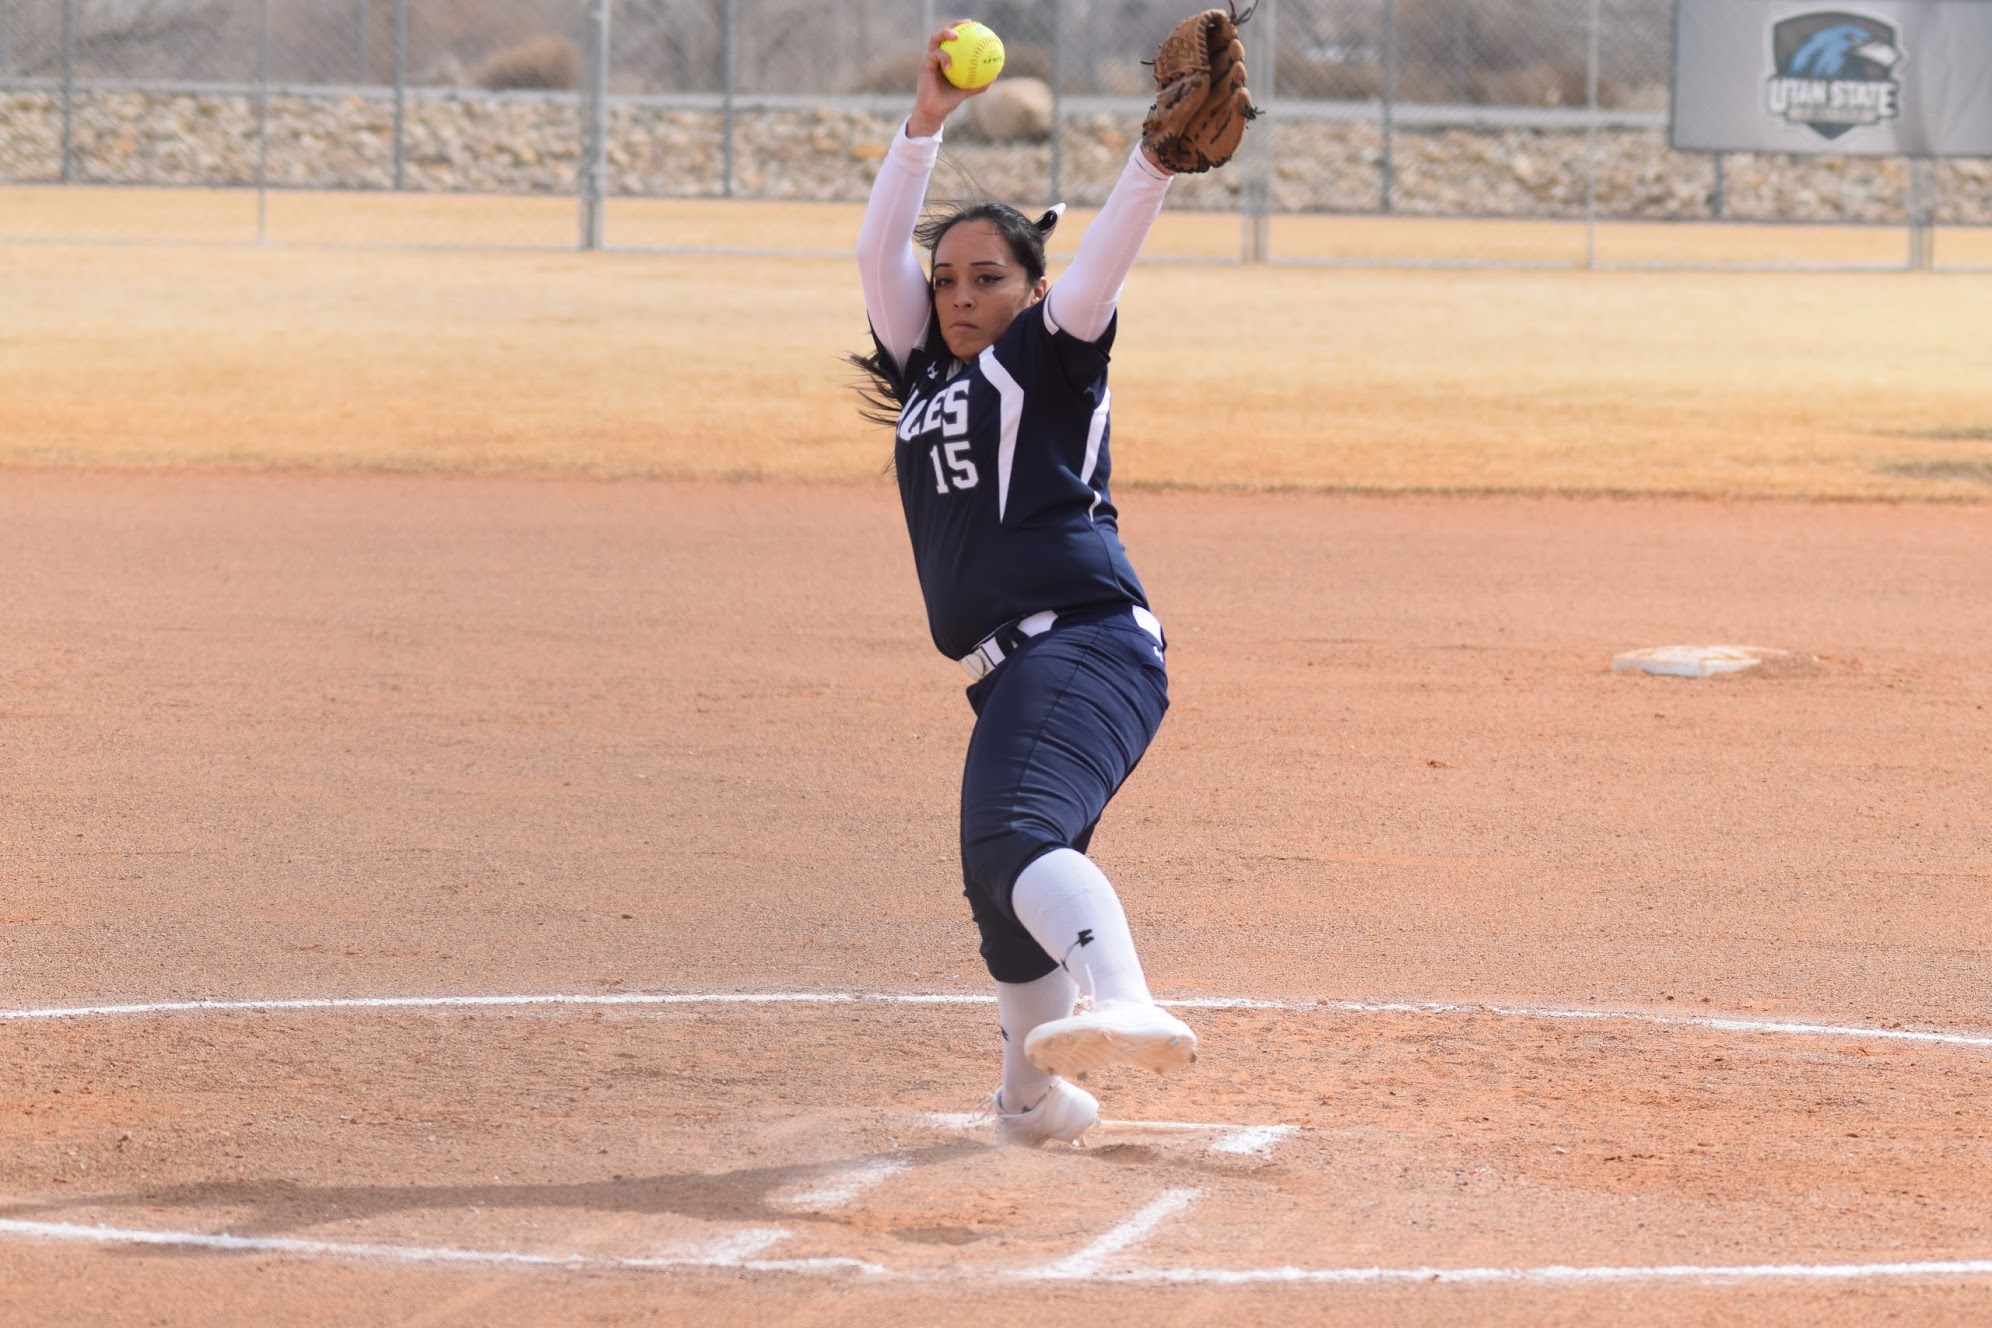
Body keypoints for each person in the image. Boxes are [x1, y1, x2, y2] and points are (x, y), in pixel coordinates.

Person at [850, 21, 1246, 1147]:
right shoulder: (929, 367)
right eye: (949, 280)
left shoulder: (1052, 352)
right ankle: (1034, 1102)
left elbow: (1107, 256)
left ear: (1033, 289)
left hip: (1087, 642)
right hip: (1013, 666)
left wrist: (1151, 166)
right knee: (998, 891)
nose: (962, 294)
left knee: (1015, 838)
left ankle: (1123, 997)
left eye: (989, 277)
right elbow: (878, 257)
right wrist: (922, 122)